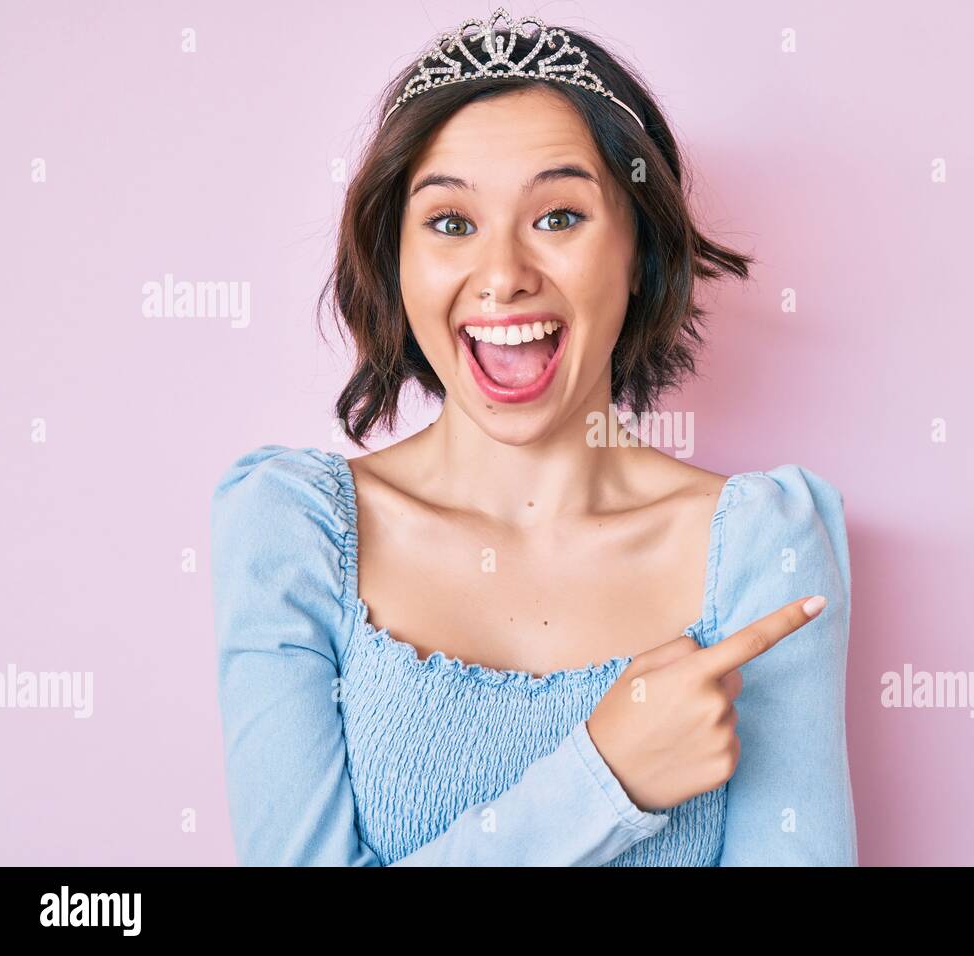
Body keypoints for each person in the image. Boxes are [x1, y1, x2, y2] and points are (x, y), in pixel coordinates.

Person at [210, 7, 857, 866]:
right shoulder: (291, 532)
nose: (505, 275)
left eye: (559, 217)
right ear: (395, 259)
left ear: (638, 250)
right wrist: (606, 779)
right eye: (449, 223)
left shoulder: (761, 545)